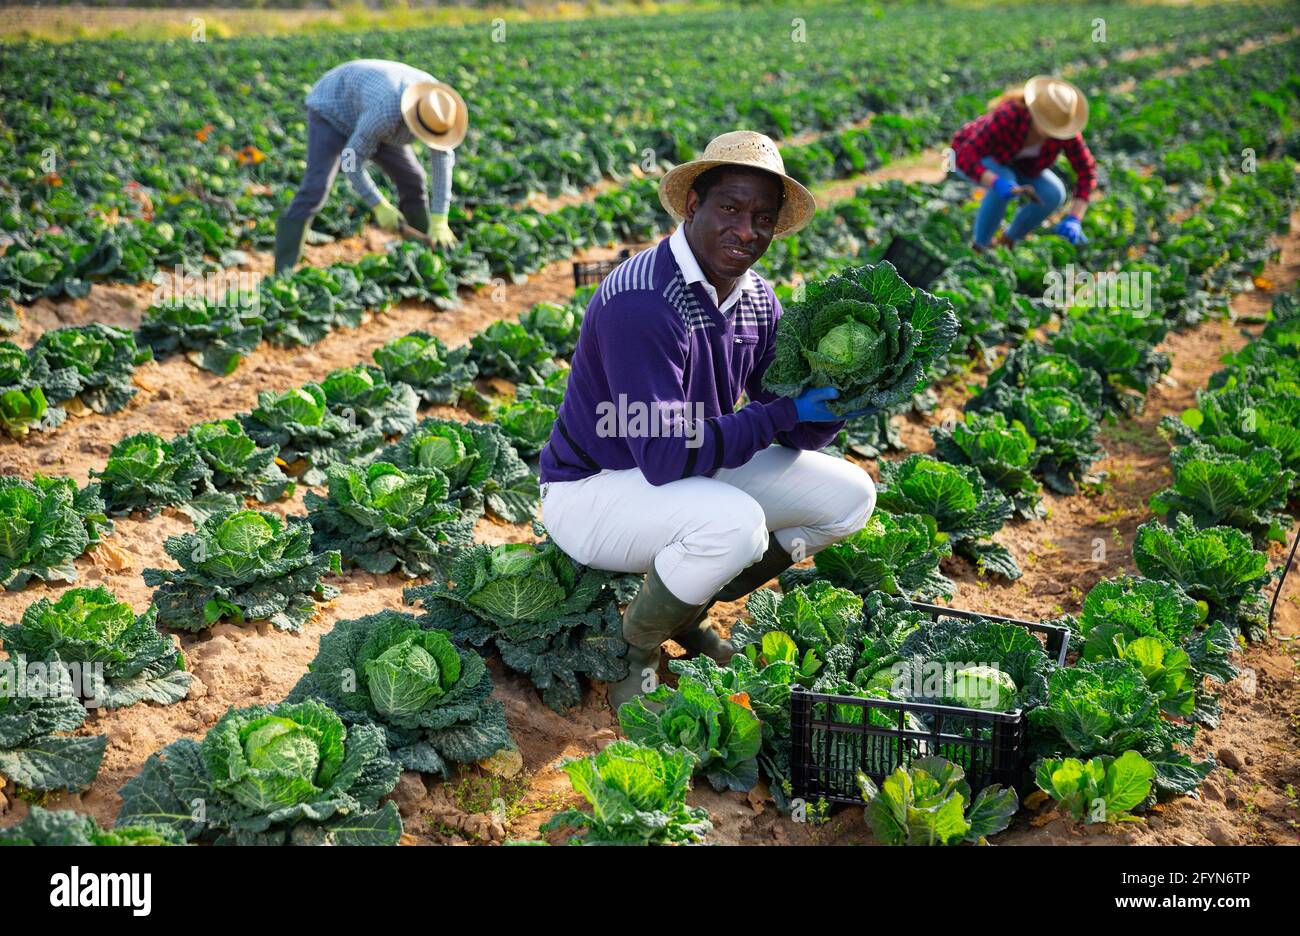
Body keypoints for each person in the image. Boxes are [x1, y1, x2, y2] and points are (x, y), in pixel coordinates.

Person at [538, 130, 878, 709]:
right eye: (730, 208)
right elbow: (665, 454)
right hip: (593, 490)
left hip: (684, 471)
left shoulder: (756, 300)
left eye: (763, 218)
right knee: (735, 525)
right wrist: (783, 412)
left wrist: (831, 407)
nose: (746, 231)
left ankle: (684, 613)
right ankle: (635, 651)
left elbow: (790, 427)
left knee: (850, 497)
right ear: (693, 205)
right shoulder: (641, 301)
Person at [273, 59, 468, 275]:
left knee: (412, 178)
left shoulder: (438, 107)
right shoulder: (386, 114)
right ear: (414, 122)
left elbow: (442, 161)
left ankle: (425, 252)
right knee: (316, 188)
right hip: (331, 108)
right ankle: (283, 271)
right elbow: (350, 161)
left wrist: (441, 218)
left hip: (369, 111)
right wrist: (379, 205)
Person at [950, 75, 1095, 250]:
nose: (1053, 133)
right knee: (1005, 177)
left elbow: (1086, 171)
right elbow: (964, 154)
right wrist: (995, 182)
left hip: (1020, 166)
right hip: (977, 157)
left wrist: (1075, 218)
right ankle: (980, 245)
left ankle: (1009, 239)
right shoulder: (1010, 115)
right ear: (1035, 113)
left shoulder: (1065, 132)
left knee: (1053, 192)